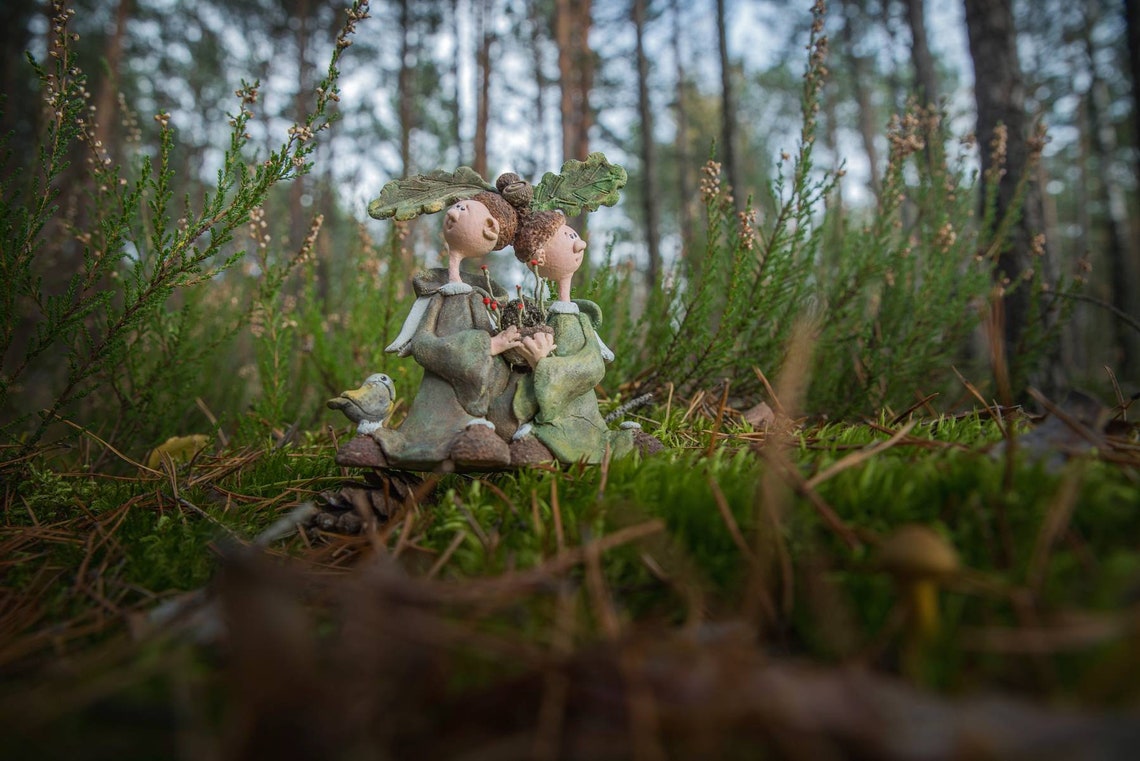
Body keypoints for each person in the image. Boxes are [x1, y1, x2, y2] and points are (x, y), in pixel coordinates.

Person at [372, 190, 523, 470]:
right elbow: (422, 345)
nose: (452, 213)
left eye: (464, 210)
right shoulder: (437, 296)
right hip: (435, 401)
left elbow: (500, 356)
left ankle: (489, 436)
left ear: (490, 229)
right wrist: (487, 346)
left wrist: (502, 347)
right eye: (455, 208)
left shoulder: (483, 298)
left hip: (483, 396)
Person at [508, 210, 635, 464]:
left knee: (592, 426)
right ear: (540, 256)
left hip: (585, 407)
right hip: (549, 409)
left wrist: (545, 364)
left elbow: (592, 362)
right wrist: (539, 361)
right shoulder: (544, 316)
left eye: (574, 235)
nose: (580, 243)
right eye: (568, 237)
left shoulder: (580, 318)